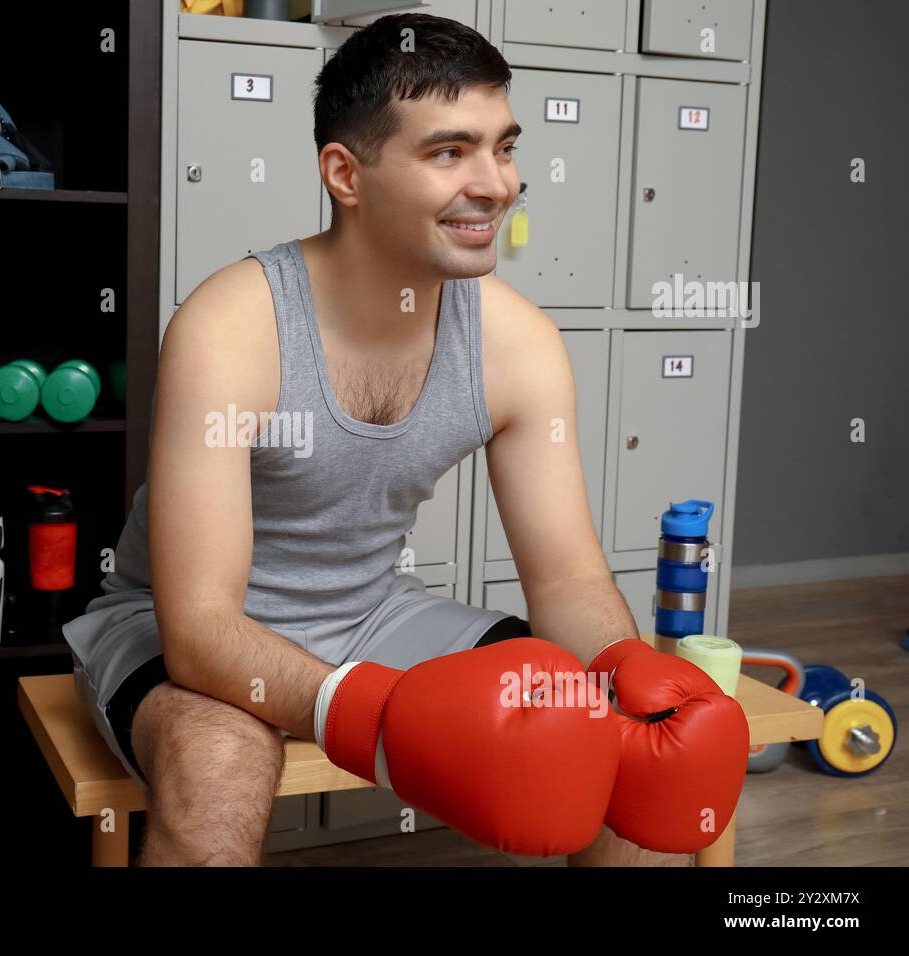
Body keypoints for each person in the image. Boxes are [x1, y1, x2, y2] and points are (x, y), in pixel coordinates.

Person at [64, 13, 692, 866]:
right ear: (345, 175)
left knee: (614, 737)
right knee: (219, 768)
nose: (496, 184)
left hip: (372, 613)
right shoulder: (231, 327)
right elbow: (203, 629)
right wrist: (376, 714)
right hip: (173, 627)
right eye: (449, 153)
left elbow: (569, 576)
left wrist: (620, 664)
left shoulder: (520, 344)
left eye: (503, 148)